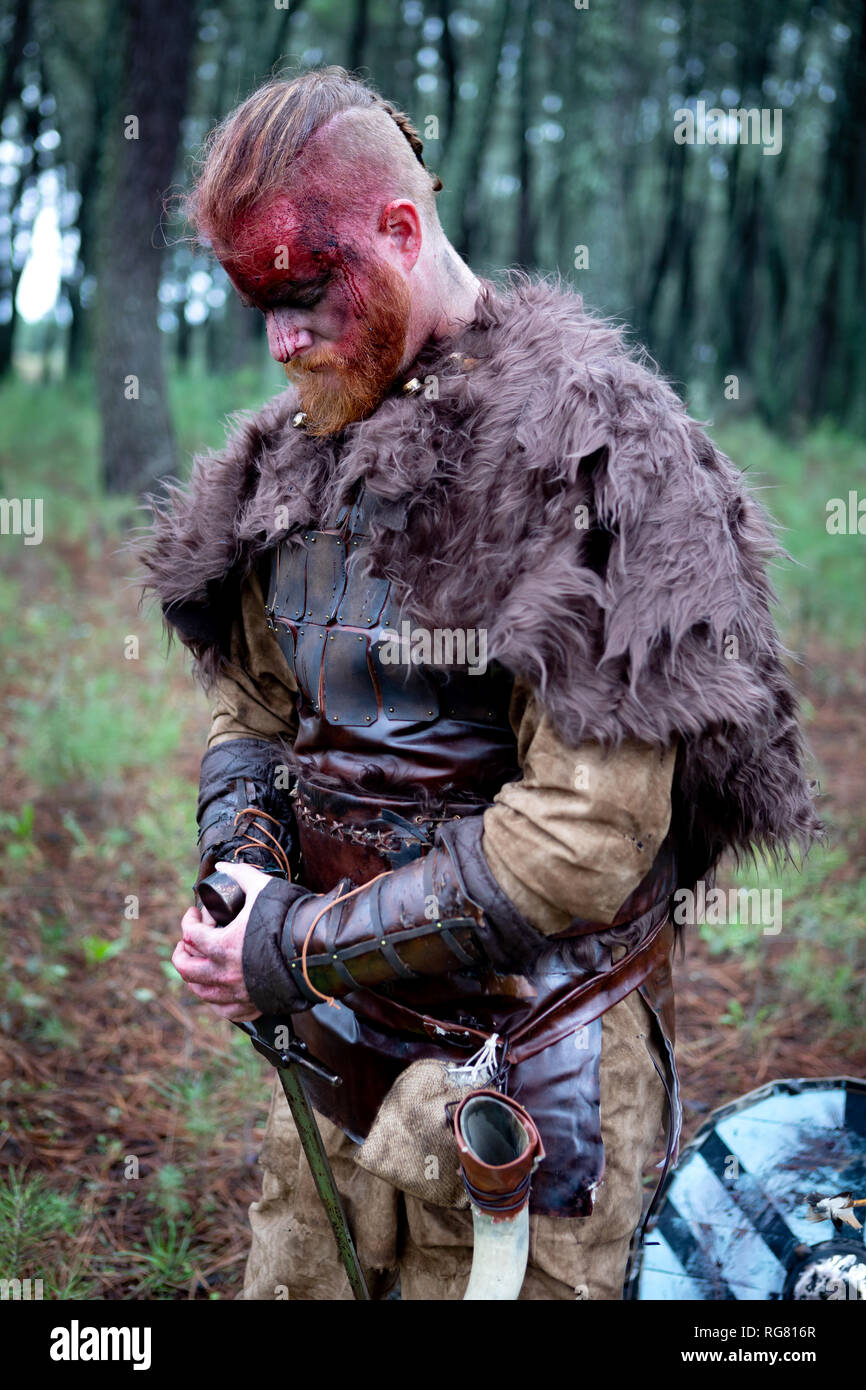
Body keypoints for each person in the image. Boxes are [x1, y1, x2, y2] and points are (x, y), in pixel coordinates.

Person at [141, 66, 819, 1301]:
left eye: (303, 294)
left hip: (529, 1089)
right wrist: (242, 862)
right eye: (258, 308)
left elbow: (582, 842)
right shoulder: (289, 464)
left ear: (400, 231)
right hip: (337, 1075)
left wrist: (290, 944)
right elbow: (254, 710)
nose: (282, 340)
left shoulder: (591, 449)